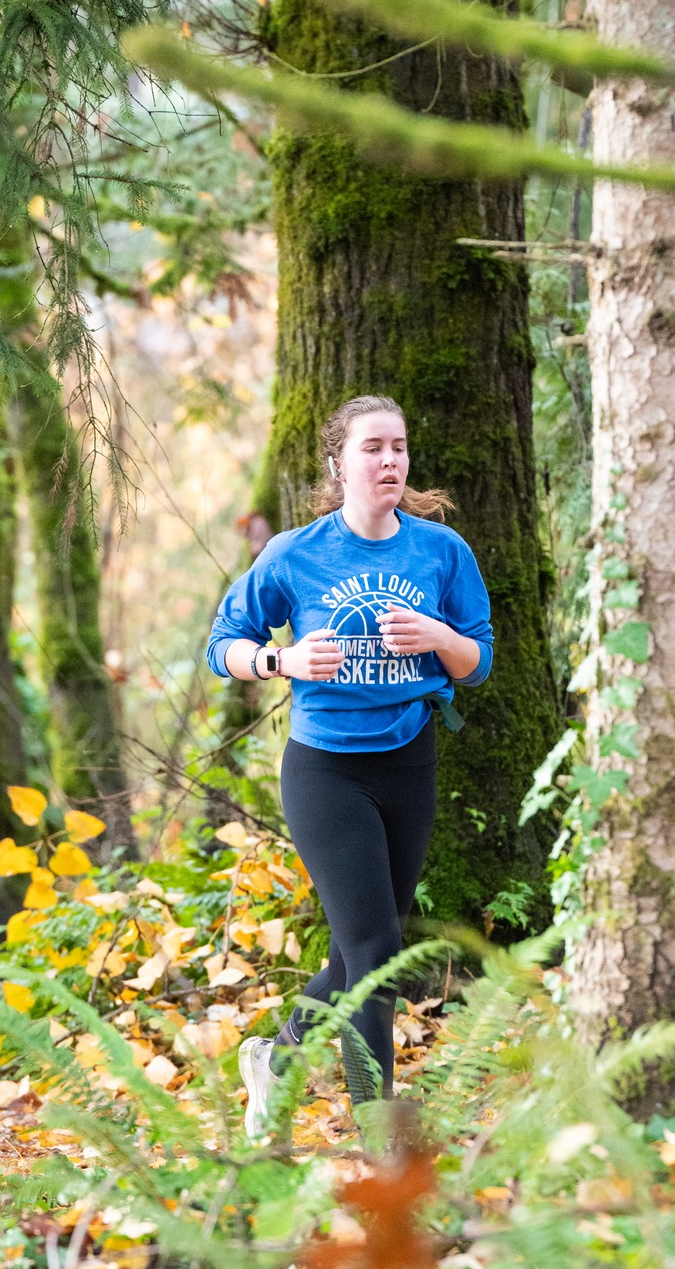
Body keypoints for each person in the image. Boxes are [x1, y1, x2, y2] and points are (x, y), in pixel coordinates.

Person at [206, 394, 494, 1135]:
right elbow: (224, 644)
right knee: (375, 947)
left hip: (409, 760)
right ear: (339, 463)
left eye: (398, 447)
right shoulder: (296, 554)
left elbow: (476, 662)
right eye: (372, 448)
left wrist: (434, 632)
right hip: (325, 770)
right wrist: (281, 657)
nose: (389, 460)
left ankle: (276, 1057)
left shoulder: (440, 551)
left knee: (364, 946)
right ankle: (376, 1123)